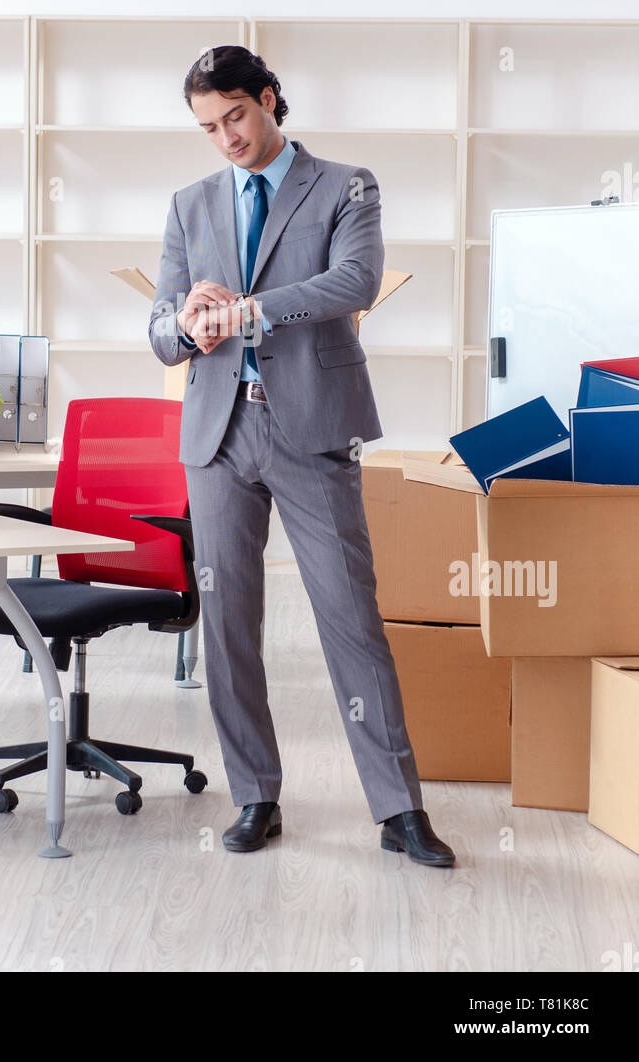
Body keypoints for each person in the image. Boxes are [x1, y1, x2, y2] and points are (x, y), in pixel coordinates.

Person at [148, 45, 455, 867]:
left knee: (351, 620)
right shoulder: (189, 204)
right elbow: (158, 332)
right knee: (229, 627)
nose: (226, 139)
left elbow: (353, 282)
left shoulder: (345, 185)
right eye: (209, 127)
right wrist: (188, 322)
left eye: (236, 116)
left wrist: (245, 313)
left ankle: (398, 812)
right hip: (217, 437)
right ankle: (255, 794)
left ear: (271, 99)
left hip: (312, 431)